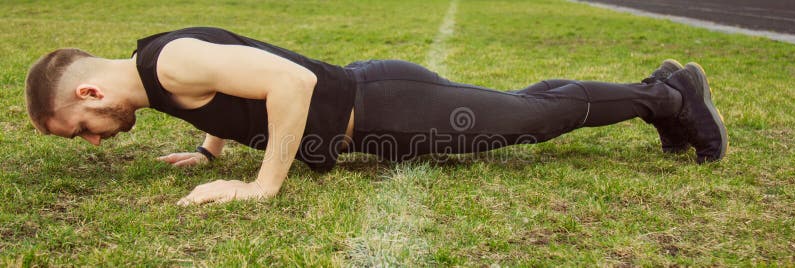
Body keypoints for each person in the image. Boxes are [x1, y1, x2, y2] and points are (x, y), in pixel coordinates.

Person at [24, 27, 727, 206]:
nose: (93, 140)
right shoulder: (158, 70)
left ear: (87, 95)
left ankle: (667, 95)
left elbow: (288, 82)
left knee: (527, 122)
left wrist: (262, 185)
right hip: (377, 103)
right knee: (518, 109)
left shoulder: (165, 63)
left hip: (383, 108)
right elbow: (235, 84)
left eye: (82, 130)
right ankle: (657, 92)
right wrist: (211, 153)